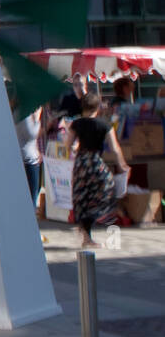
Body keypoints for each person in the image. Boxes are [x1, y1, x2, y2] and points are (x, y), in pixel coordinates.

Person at [66, 92, 128, 248]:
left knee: (82, 198)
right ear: (98, 106)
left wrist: (74, 150)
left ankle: (86, 235)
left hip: (81, 163)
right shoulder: (104, 124)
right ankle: (89, 229)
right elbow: (115, 148)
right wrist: (121, 164)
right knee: (106, 191)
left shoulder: (76, 124)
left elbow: (68, 144)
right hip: (95, 162)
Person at [14, 100, 44, 216]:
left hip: (27, 156)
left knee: (30, 194)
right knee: (31, 195)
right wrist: (37, 119)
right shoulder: (23, 113)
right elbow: (31, 134)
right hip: (28, 160)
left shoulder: (18, 112)